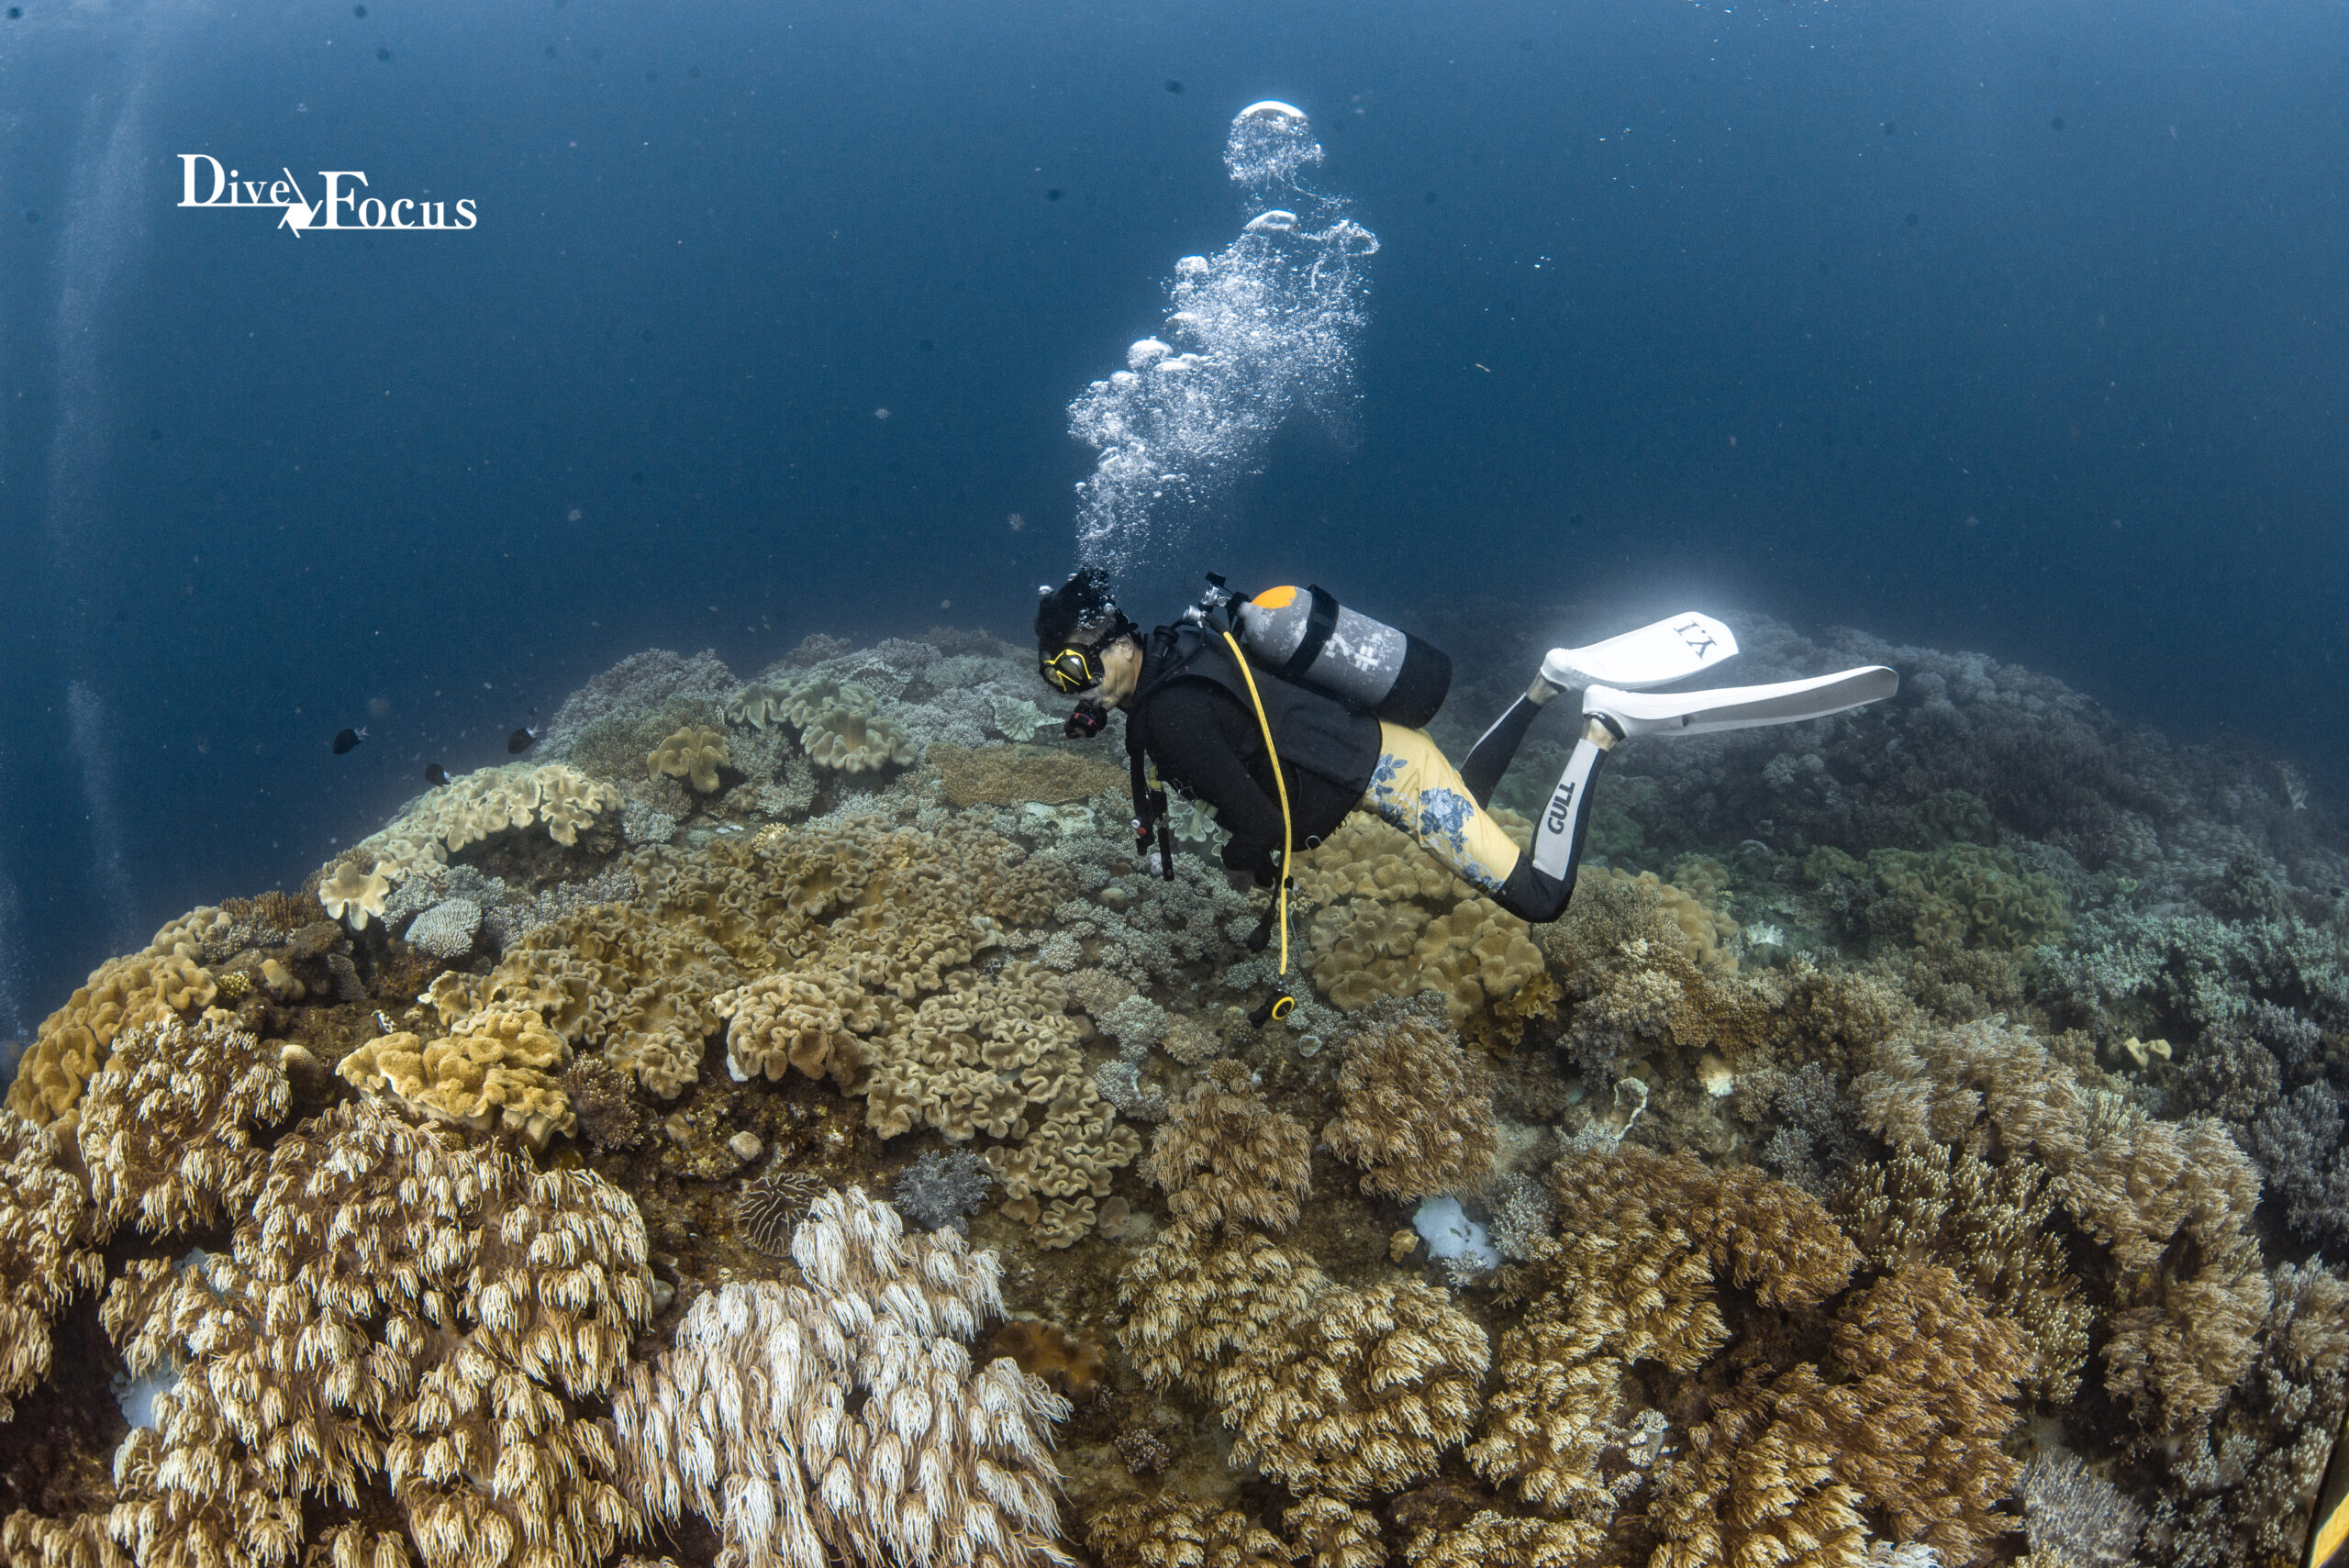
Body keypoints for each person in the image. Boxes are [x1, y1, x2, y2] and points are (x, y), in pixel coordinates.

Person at [1034, 567, 1897, 924]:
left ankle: (1602, 727)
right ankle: (1543, 687)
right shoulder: (1186, 651)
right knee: (1459, 802)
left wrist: (1245, 856)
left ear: (1108, 641)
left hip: (1390, 772)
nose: (1078, 691)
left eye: (1074, 669)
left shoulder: (1169, 716)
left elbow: (1269, 820)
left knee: (1542, 897)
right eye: (1062, 681)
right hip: (1387, 752)